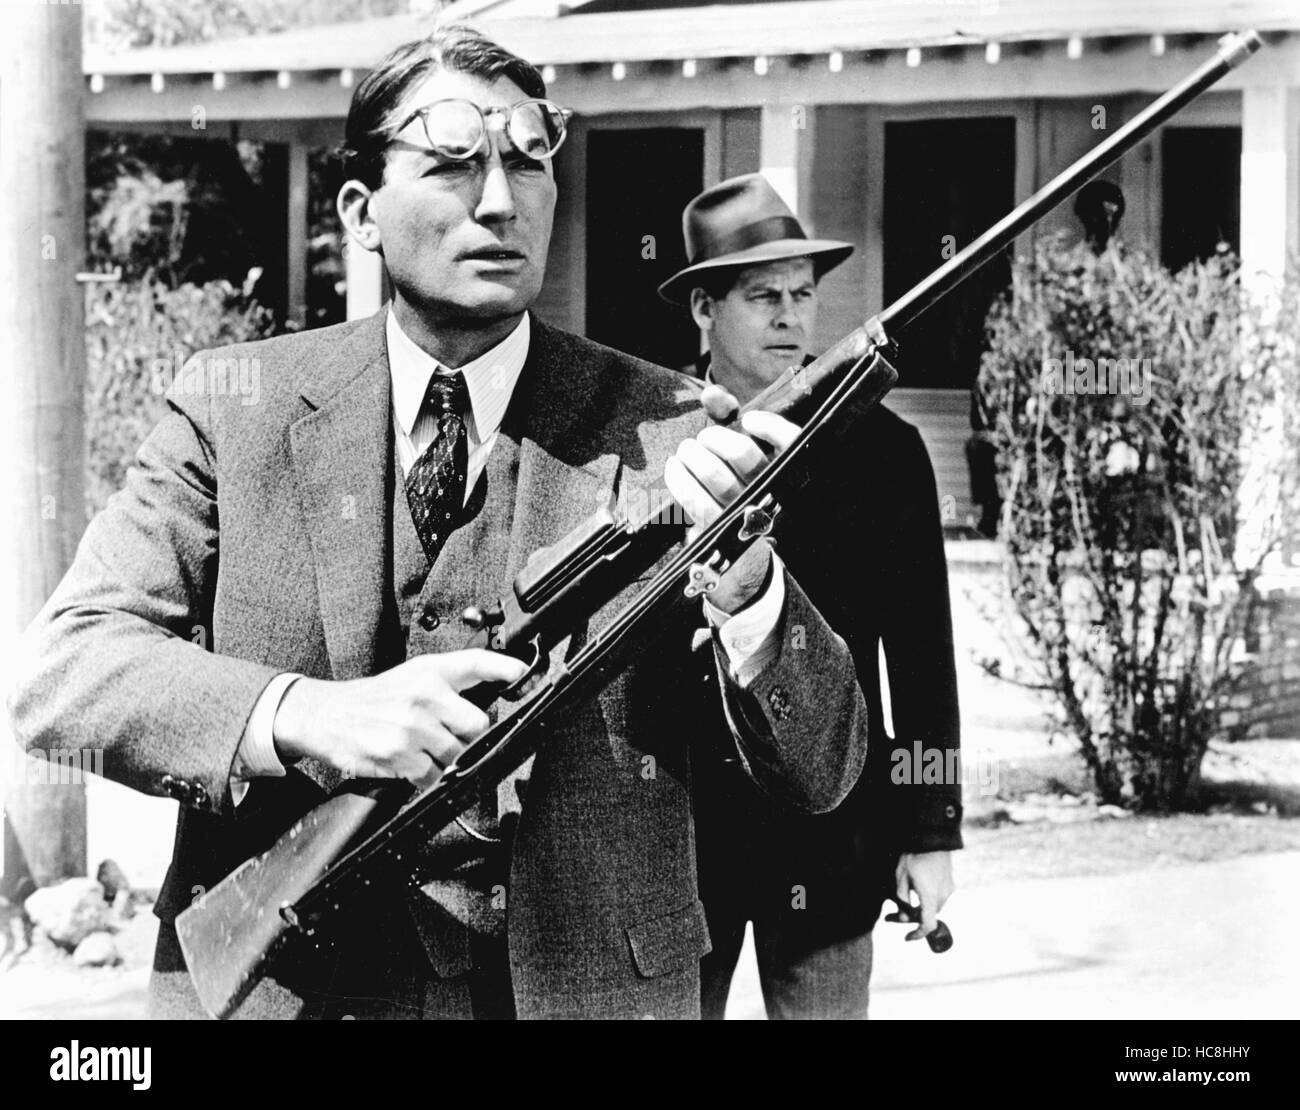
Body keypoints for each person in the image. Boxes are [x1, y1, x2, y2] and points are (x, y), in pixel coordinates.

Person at [7, 28, 869, 1020]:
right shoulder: (234, 406)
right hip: (286, 991)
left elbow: (823, 767)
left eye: (527, 160)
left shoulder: (671, 428)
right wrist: (306, 715)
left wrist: (750, 587)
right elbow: (64, 675)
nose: (500, 199)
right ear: (361, 213)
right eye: (453, 163)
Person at [659, 174, 962, 1019]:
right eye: (763, 296)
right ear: (703, 310)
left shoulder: (886, 451)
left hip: (835, 837)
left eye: (802, 293)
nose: (793, 316)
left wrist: (932, 830)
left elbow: (923, 664)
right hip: (683, 844)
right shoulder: (654, 443)